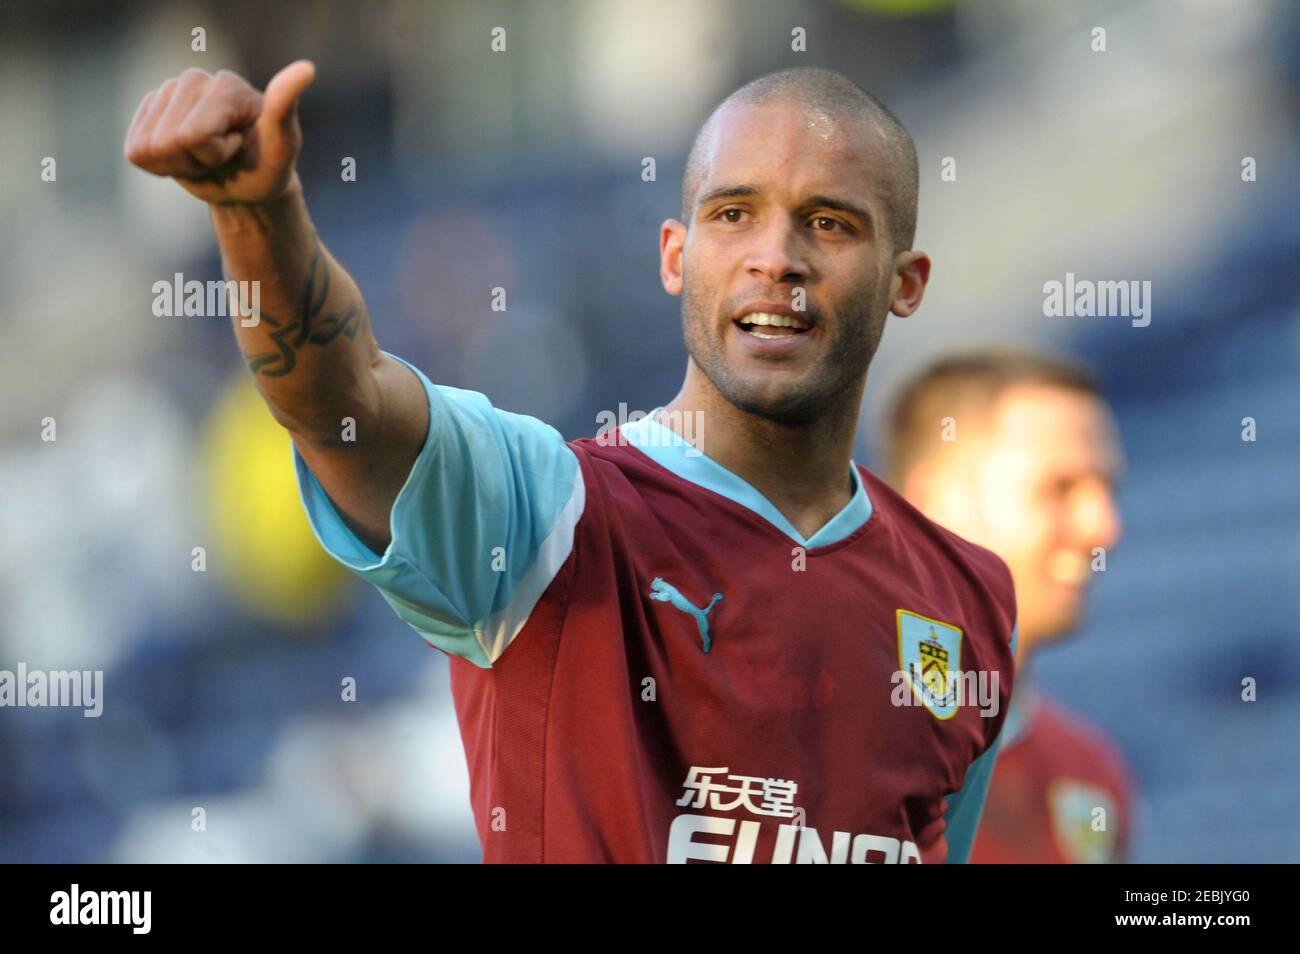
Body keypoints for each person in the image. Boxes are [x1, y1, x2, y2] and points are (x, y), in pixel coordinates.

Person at [126, 61, 1017, 863]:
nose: (775, 258)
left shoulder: (969, 600)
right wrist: (256, 215)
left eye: (828, 223)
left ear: (906, 282)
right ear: (677, 257)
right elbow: (343, 395)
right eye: (733, 214)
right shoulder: (550, 515)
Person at [885, 350, 1135, 863]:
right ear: (938, 502)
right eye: (1059, 490)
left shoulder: (1089, 773)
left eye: (1108, 490)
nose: (1104, 527)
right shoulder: (814, 730)